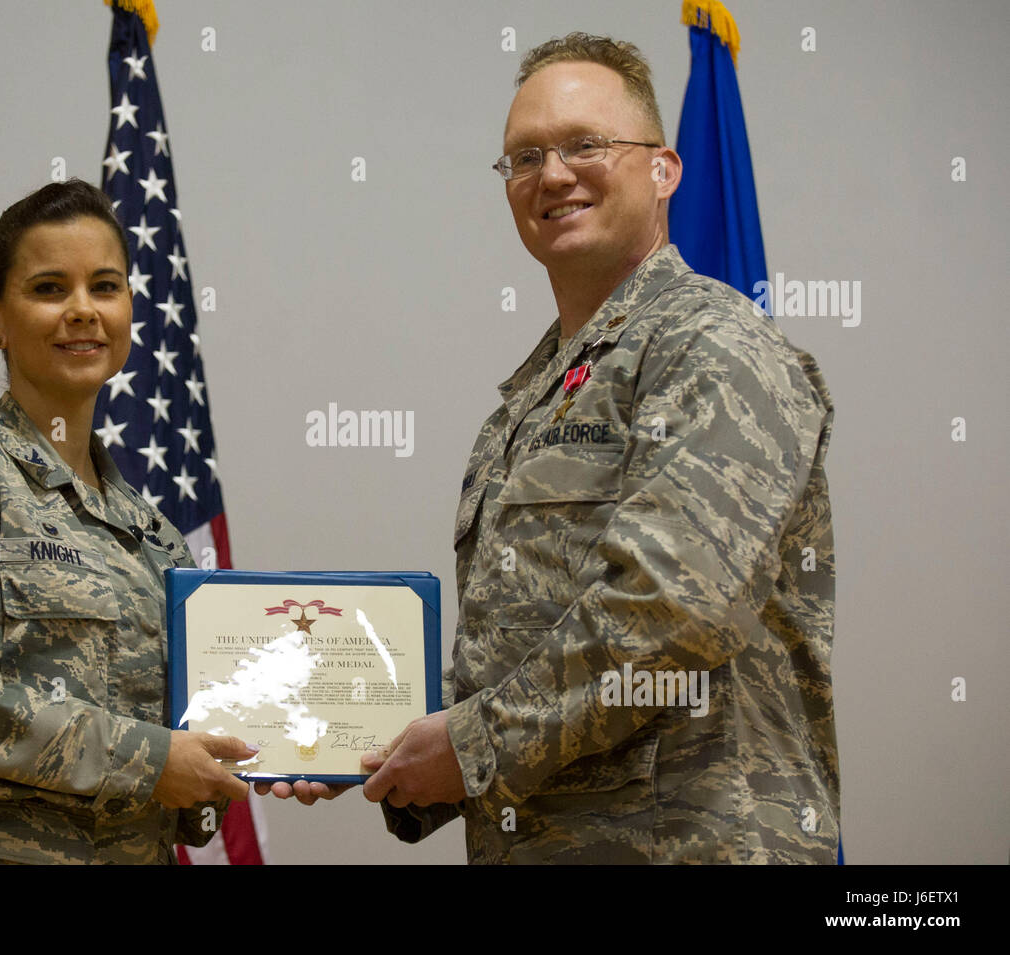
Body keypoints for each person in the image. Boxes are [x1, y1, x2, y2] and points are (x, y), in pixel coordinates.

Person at [354, 33, 839, 863]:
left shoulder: (712, 344)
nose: (552, 173)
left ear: (664, 169)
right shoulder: (528, 401)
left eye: (587, 144)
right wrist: (366, 739)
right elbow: (512, 649)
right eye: (524, 156)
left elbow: (672, 608)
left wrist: (469, 746)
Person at [0, 179, 255, 864]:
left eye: (104, 286)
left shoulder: (156, 539)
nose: (82, 311)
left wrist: (283, 746)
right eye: (48, 289)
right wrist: (148, 759)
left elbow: (185, 741)